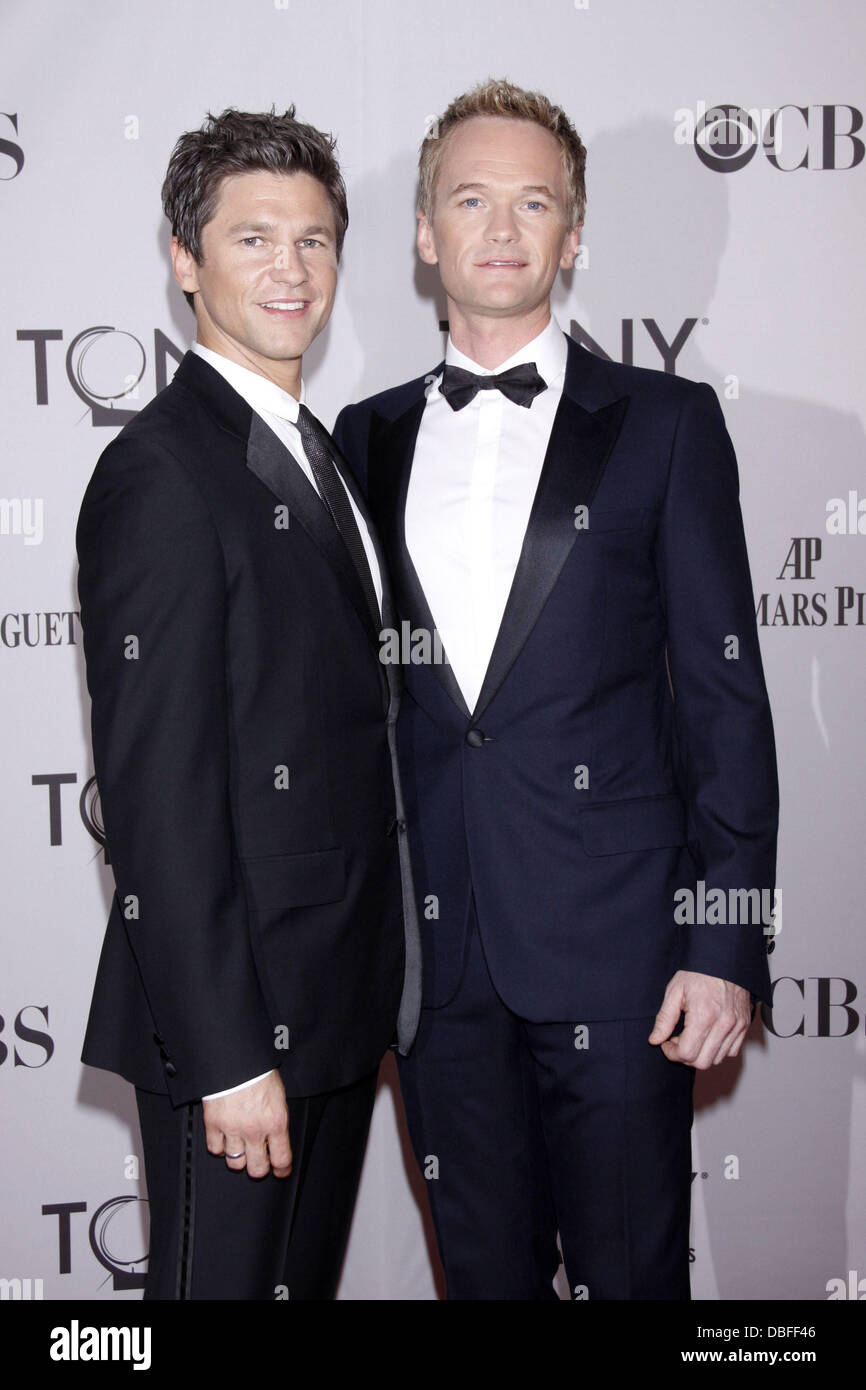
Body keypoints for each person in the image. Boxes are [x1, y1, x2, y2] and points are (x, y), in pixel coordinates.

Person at [334, 79, 778, 1300]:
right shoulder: (356, 441)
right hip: (435, 965)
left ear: (571, 235)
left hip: (625, 956)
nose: (500, 227)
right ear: (424, 232)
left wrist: (725, 941)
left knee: (636, 1280)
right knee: (480, 1282)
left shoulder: (666, 424)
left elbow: (724, 698)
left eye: (533, 202)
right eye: (468, 199)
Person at [76, 107, 420, 1300]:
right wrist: (225, 1059)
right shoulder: (164, 472)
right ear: (186, 260)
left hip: (332, 1003)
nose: (291, 270)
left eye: (315, 240)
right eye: (254, 238)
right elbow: (157, 796)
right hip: (238, 1033)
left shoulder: (313, 451)